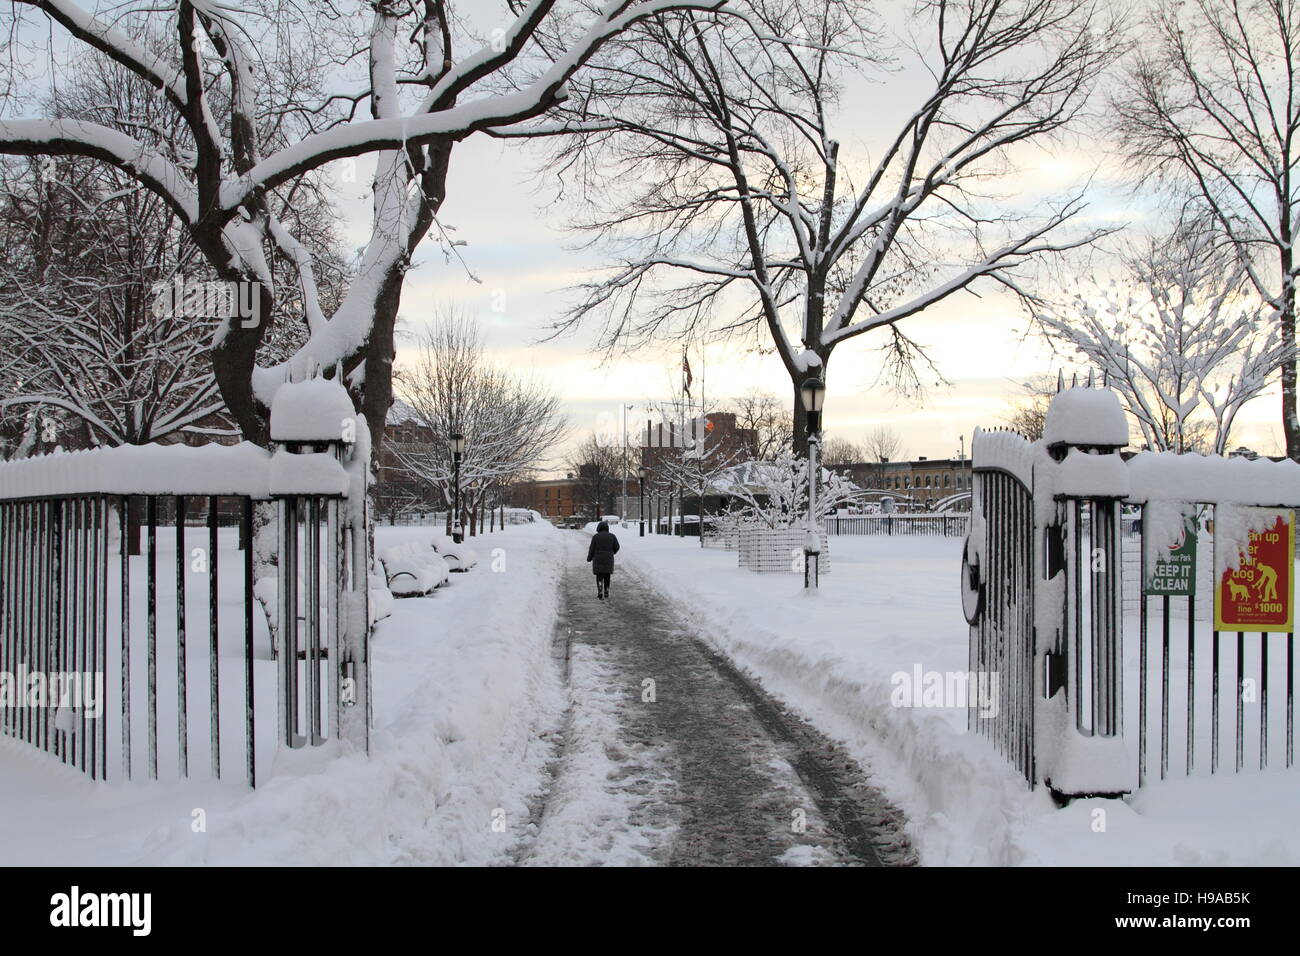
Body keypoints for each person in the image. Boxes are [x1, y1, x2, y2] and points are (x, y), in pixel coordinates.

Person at [587, 520, 620, 600]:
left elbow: (592, 548)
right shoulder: (612, 536)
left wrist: (589, 558)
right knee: (607, 576)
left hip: (598, 559)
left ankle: (600, 591)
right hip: (608, 559)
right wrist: (612, 552)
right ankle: (606, 591)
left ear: (599, 528)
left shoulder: (596, 537)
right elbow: (617, 547)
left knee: (599, 576)